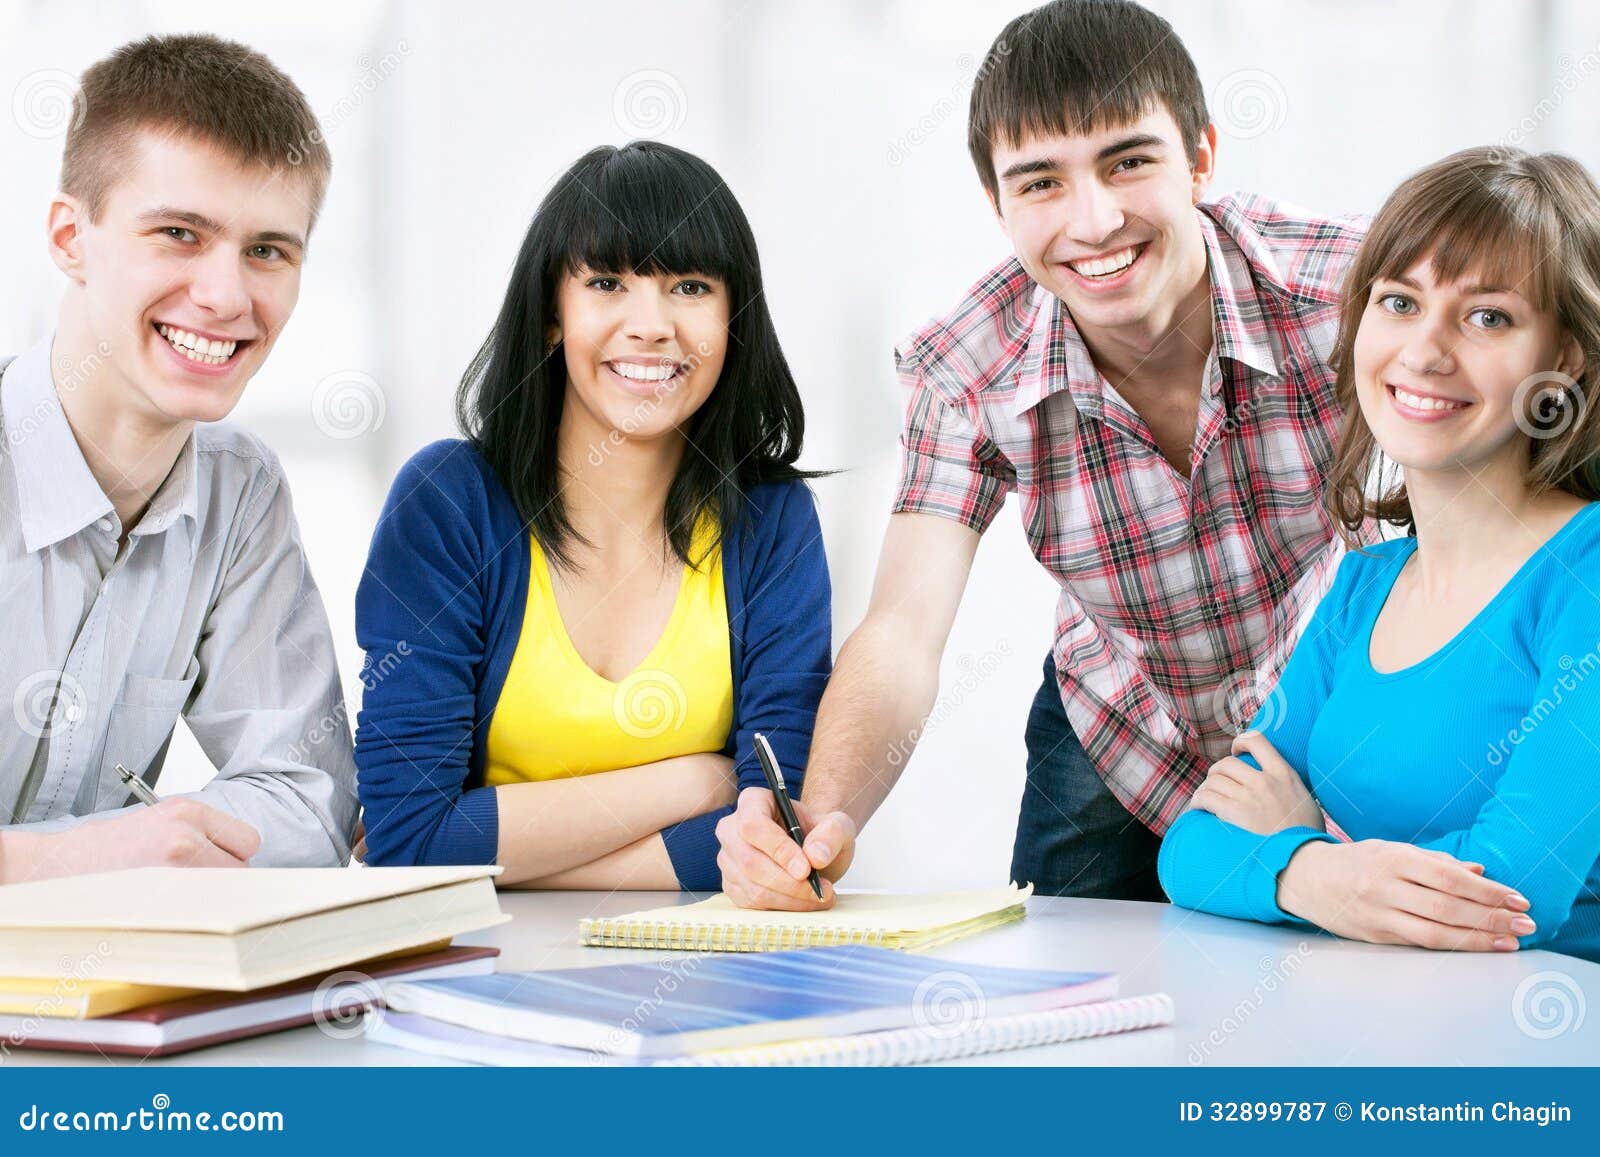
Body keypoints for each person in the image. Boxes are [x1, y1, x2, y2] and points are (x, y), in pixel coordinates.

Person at [716, 0, 1374, 908]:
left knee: (1349, 964)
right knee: (1065, 972)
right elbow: (904, 628)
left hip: (1323, 708)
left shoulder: (1349, 291)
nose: (1093, 221)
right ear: (998, 206)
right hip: (1116, 726)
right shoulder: (966, 366)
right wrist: (817, 828)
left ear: (1201, 159)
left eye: (1128, 162)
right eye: (1041, 183)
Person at [1159, 146, 1600, 961]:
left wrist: (1306, 854)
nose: (1425, 352)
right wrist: (1318, 873)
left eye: (1488, 317)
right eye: (1400, 302)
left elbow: (1511, 892)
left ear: (1565, 356)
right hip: (1379, 1010)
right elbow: (1190, 848)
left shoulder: (1587, 575)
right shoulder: (1364, 586)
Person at [354, 142, 832, 891]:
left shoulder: (772, 521)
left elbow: (774, 829)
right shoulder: (448, 502)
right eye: (608, 283)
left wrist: (497, 861)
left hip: (706, 962)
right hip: (483, 957)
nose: (651, 325)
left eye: (690, 287)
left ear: (734, 316)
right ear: (553, 315)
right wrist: (699, 781)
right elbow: (410, 842)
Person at [0, 35, 358, 881]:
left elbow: (311, 800)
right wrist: (77, 858)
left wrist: (139, 848)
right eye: (178, 233)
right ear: (70, 237)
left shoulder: (240, 491)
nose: (227, 297)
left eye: (267, 250)